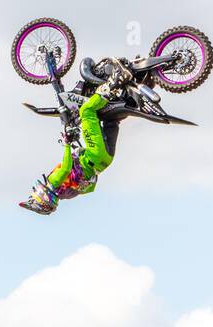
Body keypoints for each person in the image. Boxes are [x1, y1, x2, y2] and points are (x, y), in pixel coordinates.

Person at [19, 59, 135, 216]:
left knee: (111, 117)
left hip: (105, 161)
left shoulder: (68, 193)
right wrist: (67, 144)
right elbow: (66, 166)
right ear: (44, 199)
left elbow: (91, 186)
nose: (35, 193)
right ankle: (116, 81)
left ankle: (137, 88)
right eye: (35, 197)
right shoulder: (53, 183)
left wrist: (78, 154)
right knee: (87, 111)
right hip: (94, 153)